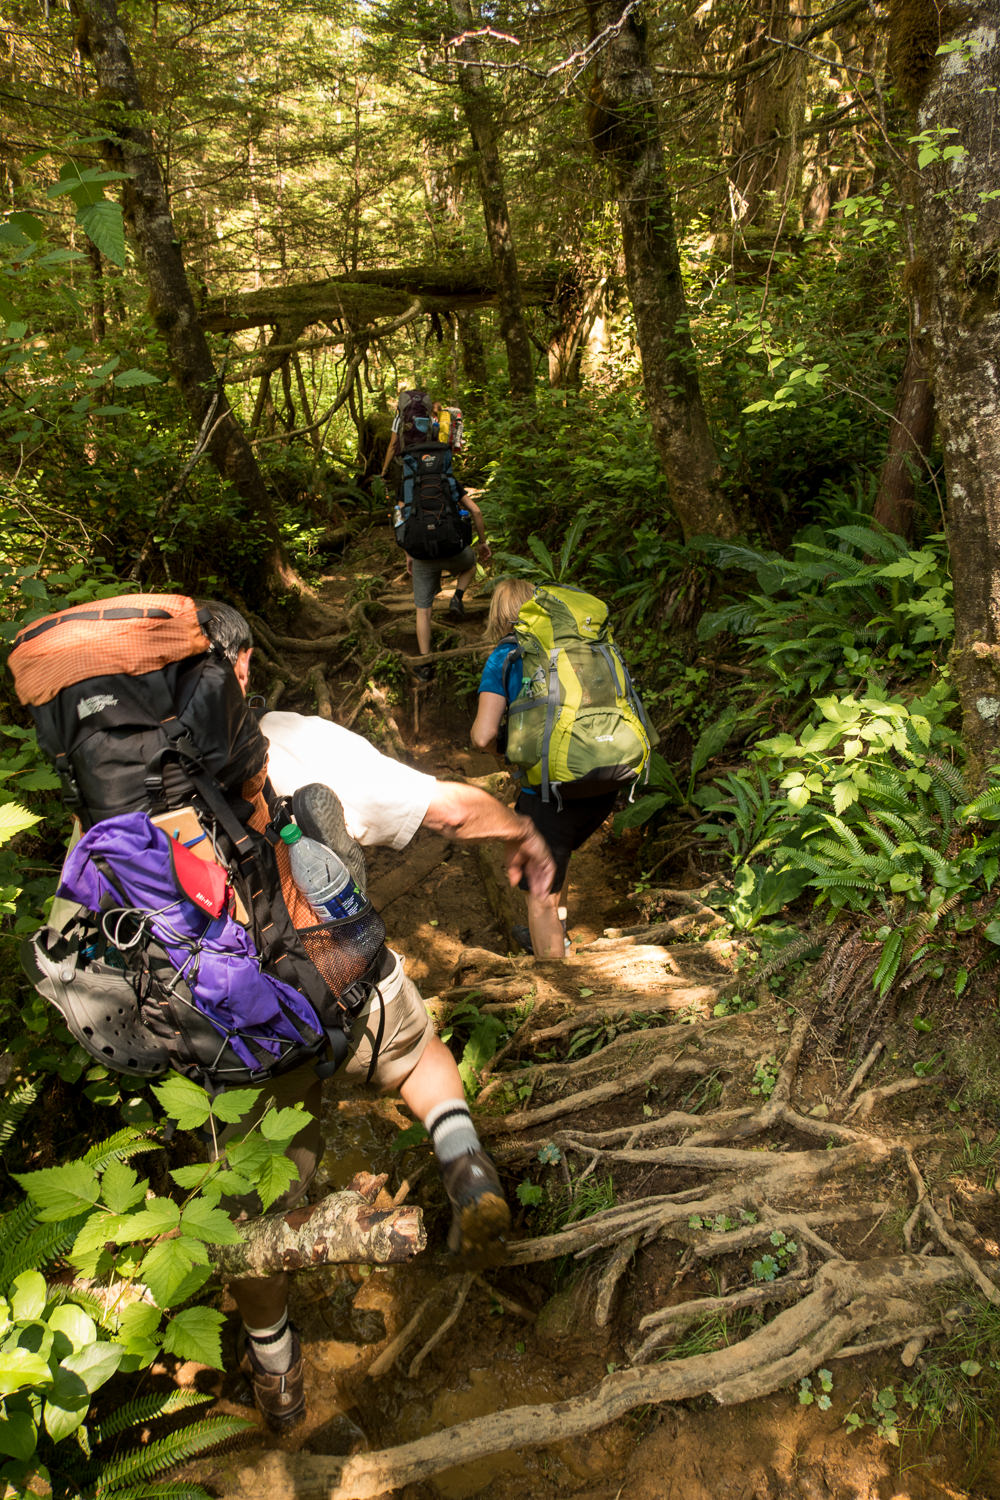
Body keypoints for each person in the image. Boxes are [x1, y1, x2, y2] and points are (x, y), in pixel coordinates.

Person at [201, 603, 555, 1428]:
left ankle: (278, 1376)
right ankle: (466, 1170)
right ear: (244, 666)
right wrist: (522, 834)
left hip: (232, 1033)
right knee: (418, 1057)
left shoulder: (128, 796)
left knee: (249, 1208)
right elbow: (446, 809)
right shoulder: (290, 737)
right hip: (335, 979)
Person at [470, 580, 620, 960]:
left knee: (540, 896)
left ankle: (555, 980)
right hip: (604, 777)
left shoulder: (504, 656)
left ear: (499, 617)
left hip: (550, 793)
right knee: (557, 857)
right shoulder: (577, 647)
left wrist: (503, 753)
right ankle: (559, 937)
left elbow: (483, 735)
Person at [379, 391, 490, 677]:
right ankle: (457, 597)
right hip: (452, 548)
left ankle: (425, 664)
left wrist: (407, 552)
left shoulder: (408, 478)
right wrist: (483, 544)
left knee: (423, 610)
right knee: (470, 565)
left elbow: (400, 516)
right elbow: (476, 512)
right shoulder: (446, 475)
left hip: (421, 554)